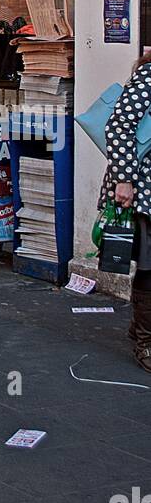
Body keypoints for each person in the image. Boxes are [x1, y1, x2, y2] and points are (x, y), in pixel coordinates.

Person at [99, 50, 151, 372]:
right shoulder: (149, 77)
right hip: (146, 189)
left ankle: (138, 328)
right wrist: (124, 180)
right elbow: (118, 127)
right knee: (150, 267)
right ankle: (146, 342)